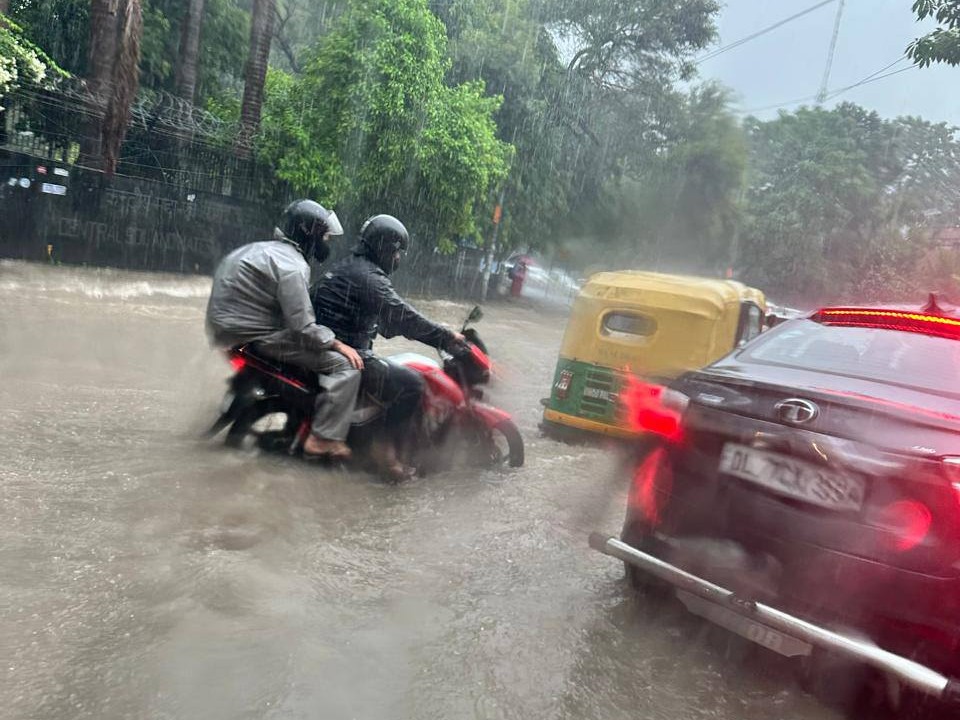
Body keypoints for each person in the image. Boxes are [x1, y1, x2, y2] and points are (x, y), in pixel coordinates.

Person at [206, 199, 364, 460]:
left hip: (228, 335)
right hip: (258, 339)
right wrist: (337, 343)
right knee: (347, 366)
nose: (327, 243)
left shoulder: (258, 249)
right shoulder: (293, 265)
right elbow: (303, 326)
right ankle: (323, 439)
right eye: (325, 236)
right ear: (309, 233)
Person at [310, 214, 465, 479]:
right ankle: (383, 451)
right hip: (347, 352)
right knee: (412, 384)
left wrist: (399, 328)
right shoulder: (369, 277)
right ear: (383, 248)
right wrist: (444, 336)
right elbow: (403, 316)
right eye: (396, 252)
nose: (398, 259)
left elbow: (380, 318)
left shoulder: (352, 267)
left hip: (331, 346)